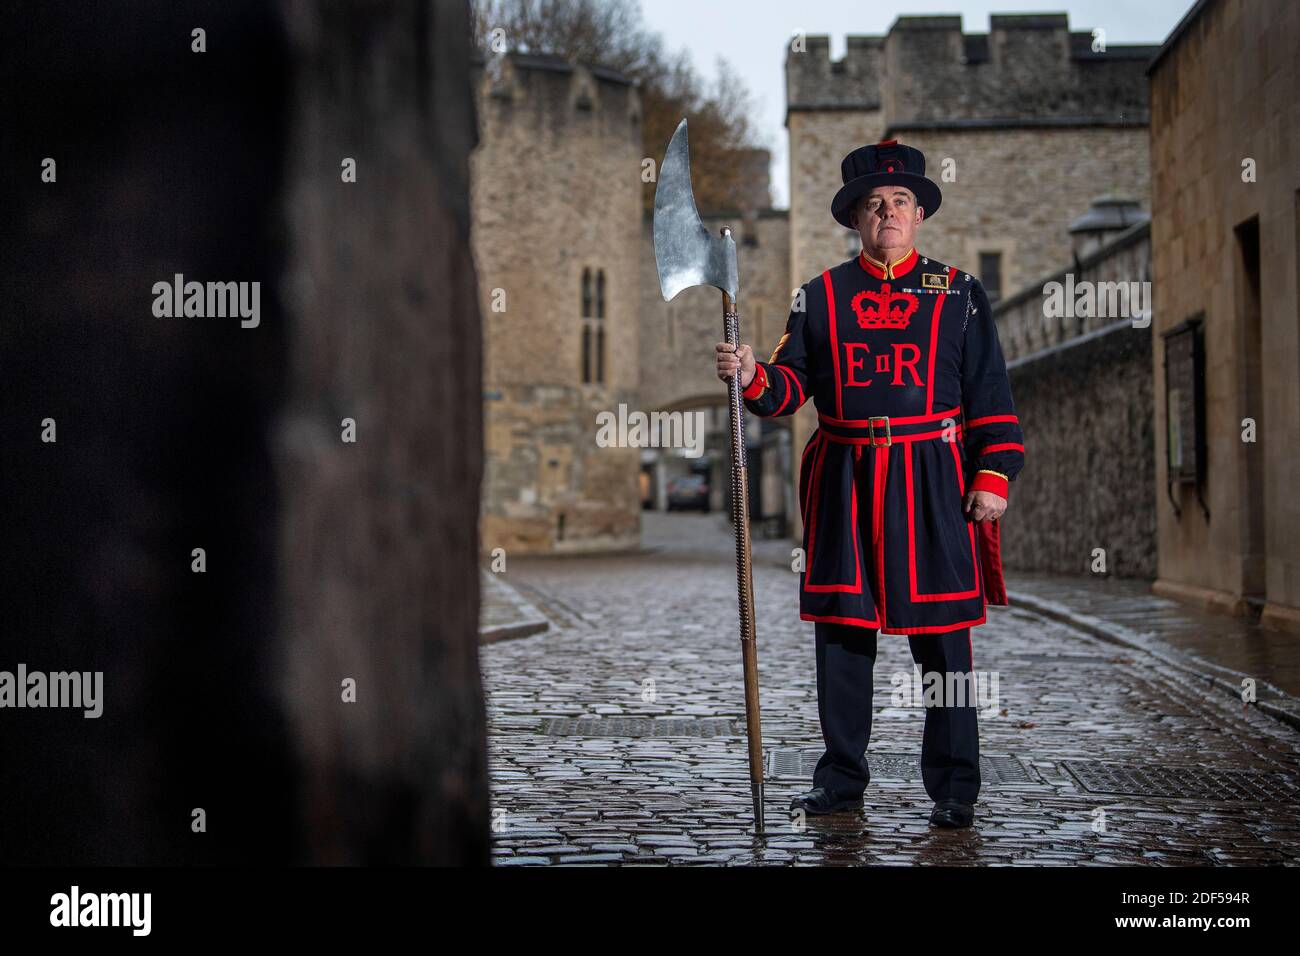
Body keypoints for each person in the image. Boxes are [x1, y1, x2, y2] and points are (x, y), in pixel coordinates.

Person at [714, 140, 1025, 828]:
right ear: (855, 216)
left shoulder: (960, 293)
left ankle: (954, 786)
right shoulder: (818, 296)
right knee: (843, 637)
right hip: (847, 479)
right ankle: (841, 778)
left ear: (919, 214)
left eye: (901, 202)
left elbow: (991, 394)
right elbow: (789, 386)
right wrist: (749, 374)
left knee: (944, 641)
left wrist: (994, 470)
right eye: (874, 203)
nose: (888, 212)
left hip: (933, 481)